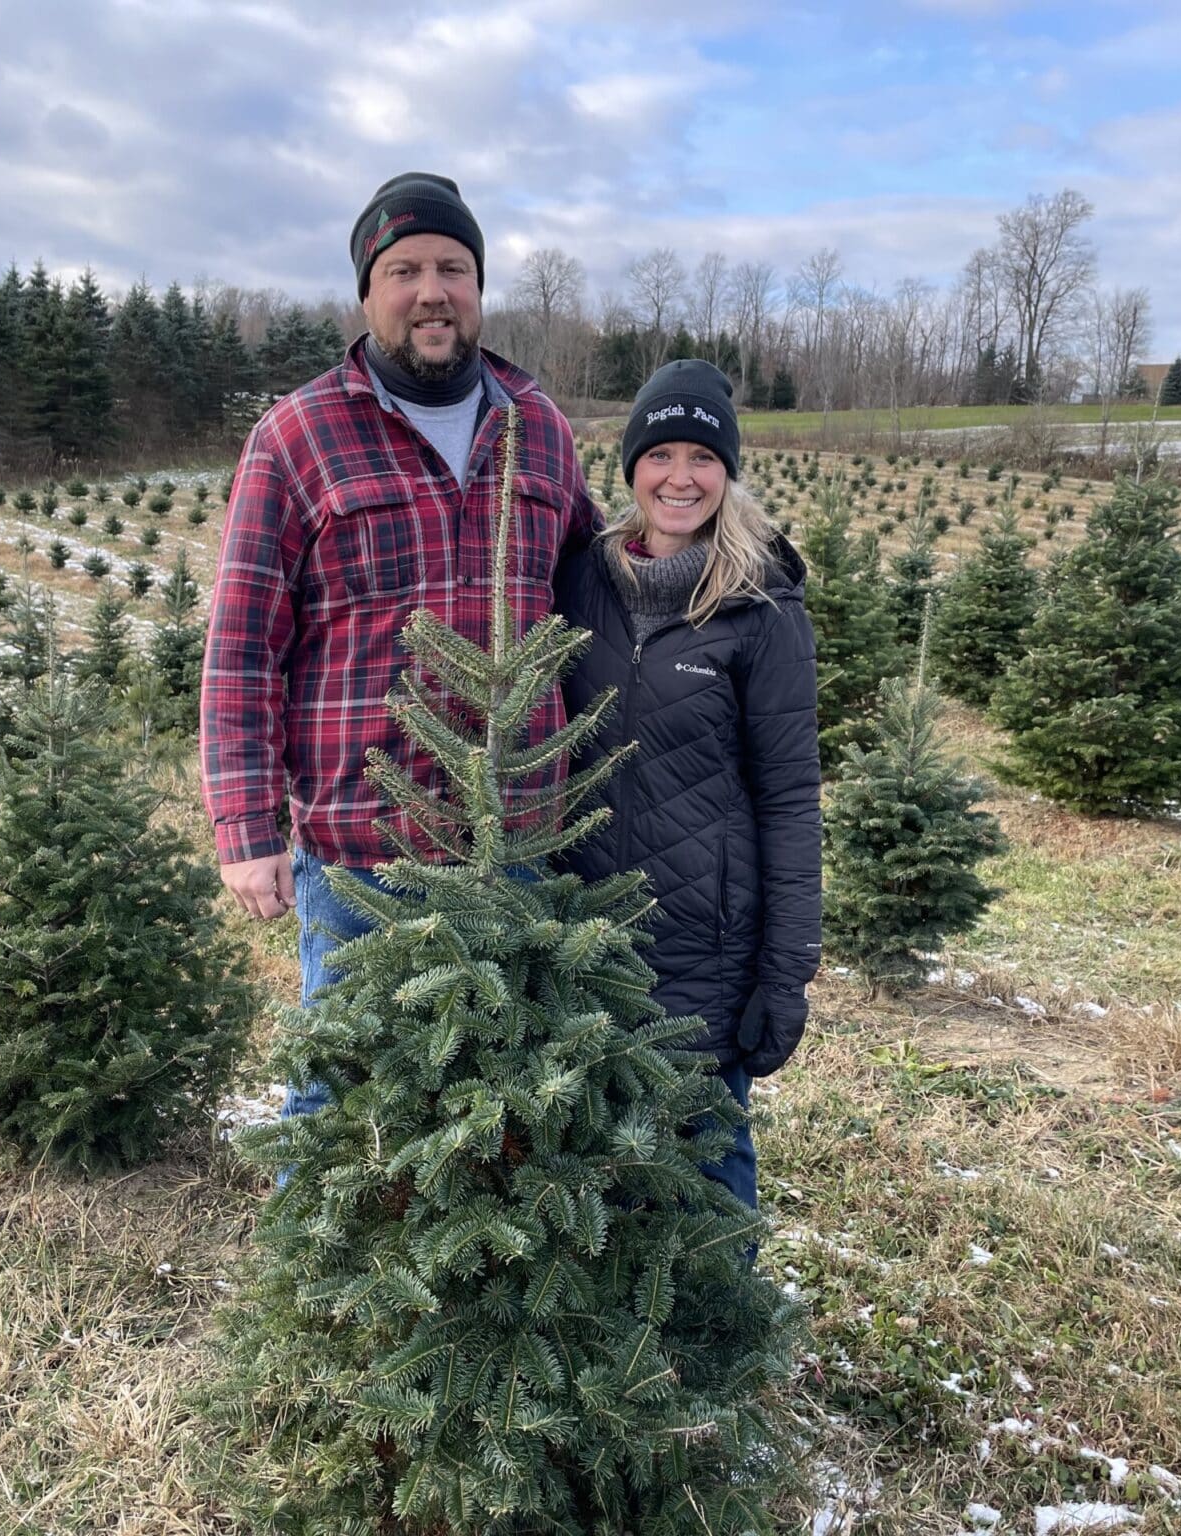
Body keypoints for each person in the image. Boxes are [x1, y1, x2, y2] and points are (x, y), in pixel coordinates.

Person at [200, 171, 603, 1119]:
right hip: (362, 850)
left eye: (454, 269)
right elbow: (242, 644)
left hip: (519, 834)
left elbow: (591, 595)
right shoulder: (296, 436)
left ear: (479, 288)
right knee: (345, 1100)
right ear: (368, 292)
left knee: (512, 1102)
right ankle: (316, 1271)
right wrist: (247, 829)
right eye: (407, 269)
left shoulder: (536, 426)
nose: (433, 291)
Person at [554, 359, 822, 1210]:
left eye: (702, 457)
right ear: (631, 467)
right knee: (593, 1168)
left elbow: (788, 802)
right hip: (579, 932)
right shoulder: (581, 580)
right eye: (660, 453)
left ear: (728, 471)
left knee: (706, 1168)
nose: (680, 477)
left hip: (701, 947)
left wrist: (786, 976)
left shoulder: (762, 607)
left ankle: (719, 1340)